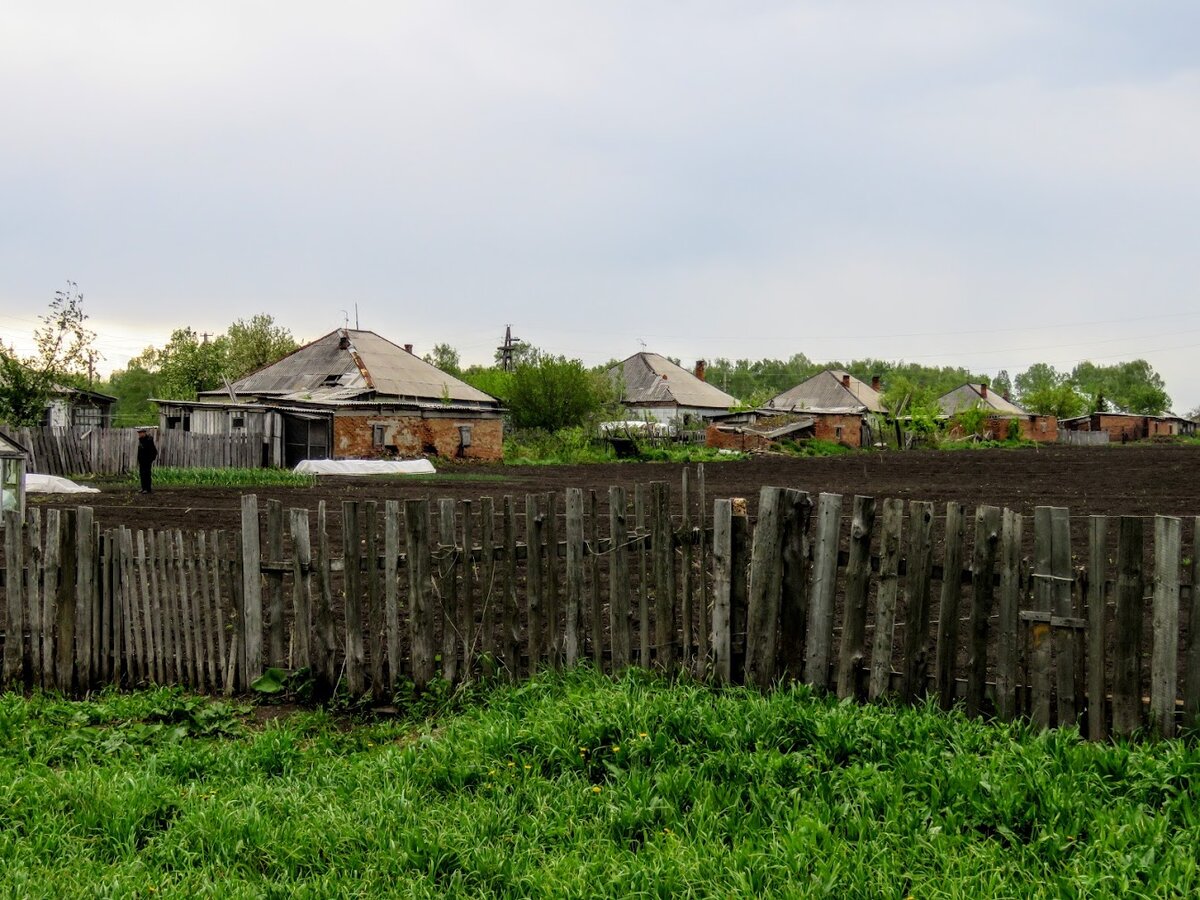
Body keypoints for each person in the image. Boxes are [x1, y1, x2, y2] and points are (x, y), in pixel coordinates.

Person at [136, 426, 158, 494]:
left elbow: (153, 451)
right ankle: (143, 487)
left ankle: (148, 489)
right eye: (139, 433)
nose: (139, 434)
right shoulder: (141, 440)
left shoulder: (148, 440)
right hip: (142, 461)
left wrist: (150, 459)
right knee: (142, 474)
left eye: (140, 433)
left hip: (147, 461)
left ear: (144, 433)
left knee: (147, 474)